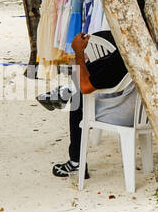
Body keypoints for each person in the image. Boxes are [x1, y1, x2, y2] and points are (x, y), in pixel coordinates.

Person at [43, 27, 137, 179]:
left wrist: (78, 52)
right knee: (100, 67)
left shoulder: (127, 52)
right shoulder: (148, 44)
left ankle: (76, 162)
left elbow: (86, 87)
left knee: (79, 98)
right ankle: (66, 90)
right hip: (144, 111)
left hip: (125, 113)